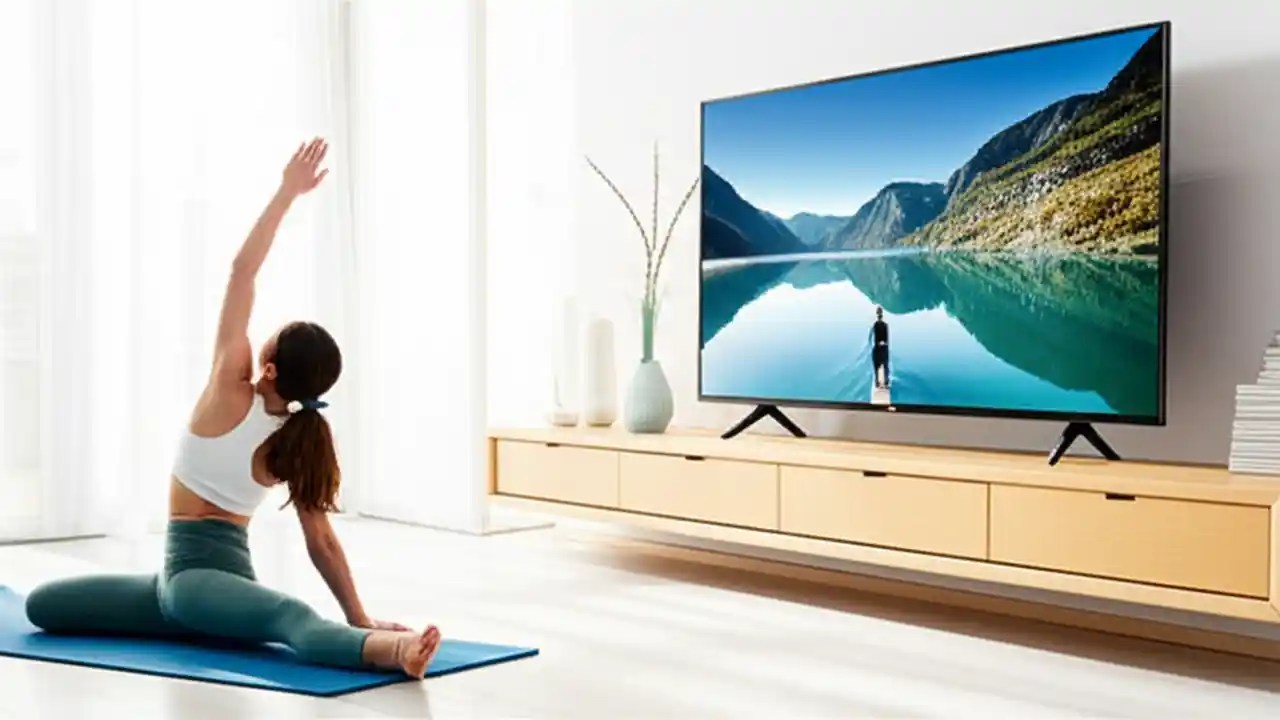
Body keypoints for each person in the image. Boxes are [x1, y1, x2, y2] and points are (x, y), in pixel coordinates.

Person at [23, 139, 441, 678]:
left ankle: (395, 654)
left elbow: (242, 272)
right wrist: (356, 612)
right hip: (174, 588)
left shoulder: (229, 387)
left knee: (292, 618)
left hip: (199, 586)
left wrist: (287, 193)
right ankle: (213, 619)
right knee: (42, 605)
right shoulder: (297, 436)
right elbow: (323, 544)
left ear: (268, 367)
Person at [871, 305, 890, 390]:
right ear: (882, 314)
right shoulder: (886, 325)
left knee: (876, 368)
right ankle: (886, 383)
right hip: (884, 348)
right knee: (885, 366)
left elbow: (874, 340)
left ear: (877, 314)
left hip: (877, 348)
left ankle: (877, 383)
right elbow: (887, 339)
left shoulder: (874, 325)